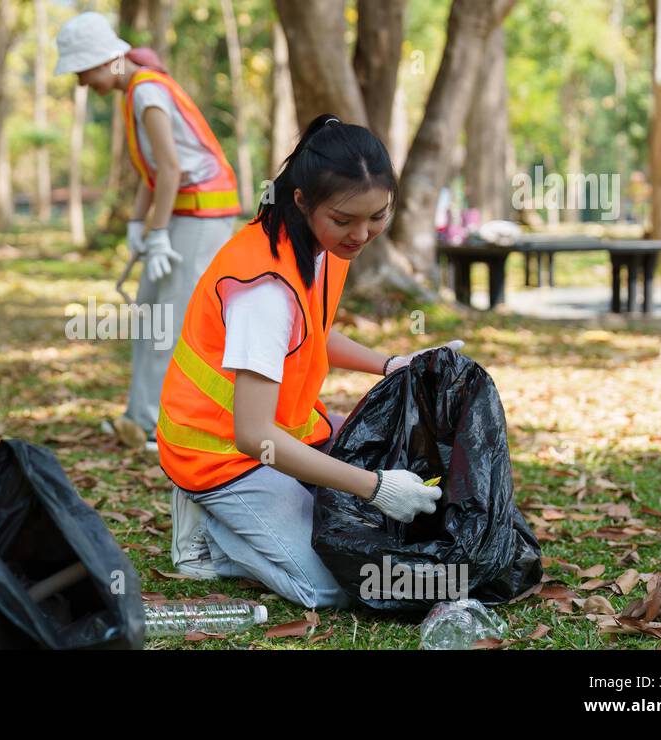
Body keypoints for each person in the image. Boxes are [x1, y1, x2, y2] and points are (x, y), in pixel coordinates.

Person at [156, 114, 463, 608]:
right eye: (344, 220)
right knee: (332, 585)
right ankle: (208, 535)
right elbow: (252, 436)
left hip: (288, 432)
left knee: (375, 526)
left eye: (377, 215)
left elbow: (310, 333)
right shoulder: (263, 292)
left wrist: (392, 364)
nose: (361, 235)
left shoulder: (320, 245)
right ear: (301, 201)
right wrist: (376, 487)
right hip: (219, 455)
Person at [54, 12, 240, 452]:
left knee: (171, 323)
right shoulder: (136, 90)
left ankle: (168, 427)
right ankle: (139, 417)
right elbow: (153, 172)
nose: (83, 84)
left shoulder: (148, 91)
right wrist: (140, 225)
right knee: (149, 318)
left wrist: (157, 234)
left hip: (200, 218)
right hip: (178, 215)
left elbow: (173, 170)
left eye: (83, 73)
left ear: (104, 60)